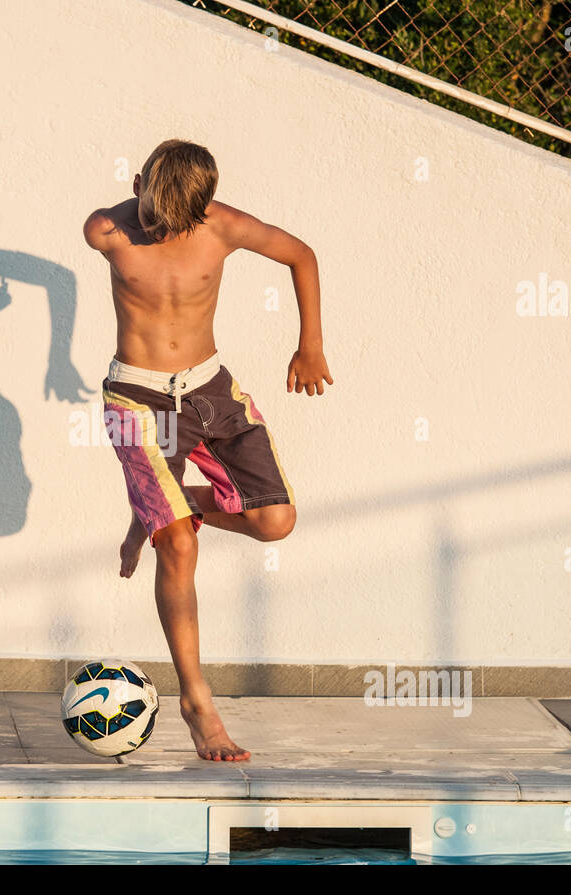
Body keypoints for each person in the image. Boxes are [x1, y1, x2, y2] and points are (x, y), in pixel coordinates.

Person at [82, 139, 332, 761]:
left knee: (276, 522)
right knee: (182, 545)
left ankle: (162, 510)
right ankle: (199, 703)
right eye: (151, 214)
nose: (160, 231)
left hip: (211, 391)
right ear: (136, 182)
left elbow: (301, 255)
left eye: (176, 222)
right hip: (140, 403)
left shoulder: (224, 227)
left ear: (203, 208)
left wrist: (311, 345)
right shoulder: (107, 230)